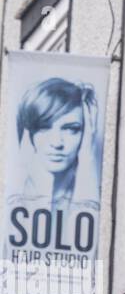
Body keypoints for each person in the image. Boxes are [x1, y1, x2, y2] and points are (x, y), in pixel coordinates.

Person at [12, 77, 101, 211]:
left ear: (86, 133)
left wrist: (88, 159)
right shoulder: (12, 193)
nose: (56, 143)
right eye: (44, 127)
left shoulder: (93, 191)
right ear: (29, 132)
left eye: (71, 129)